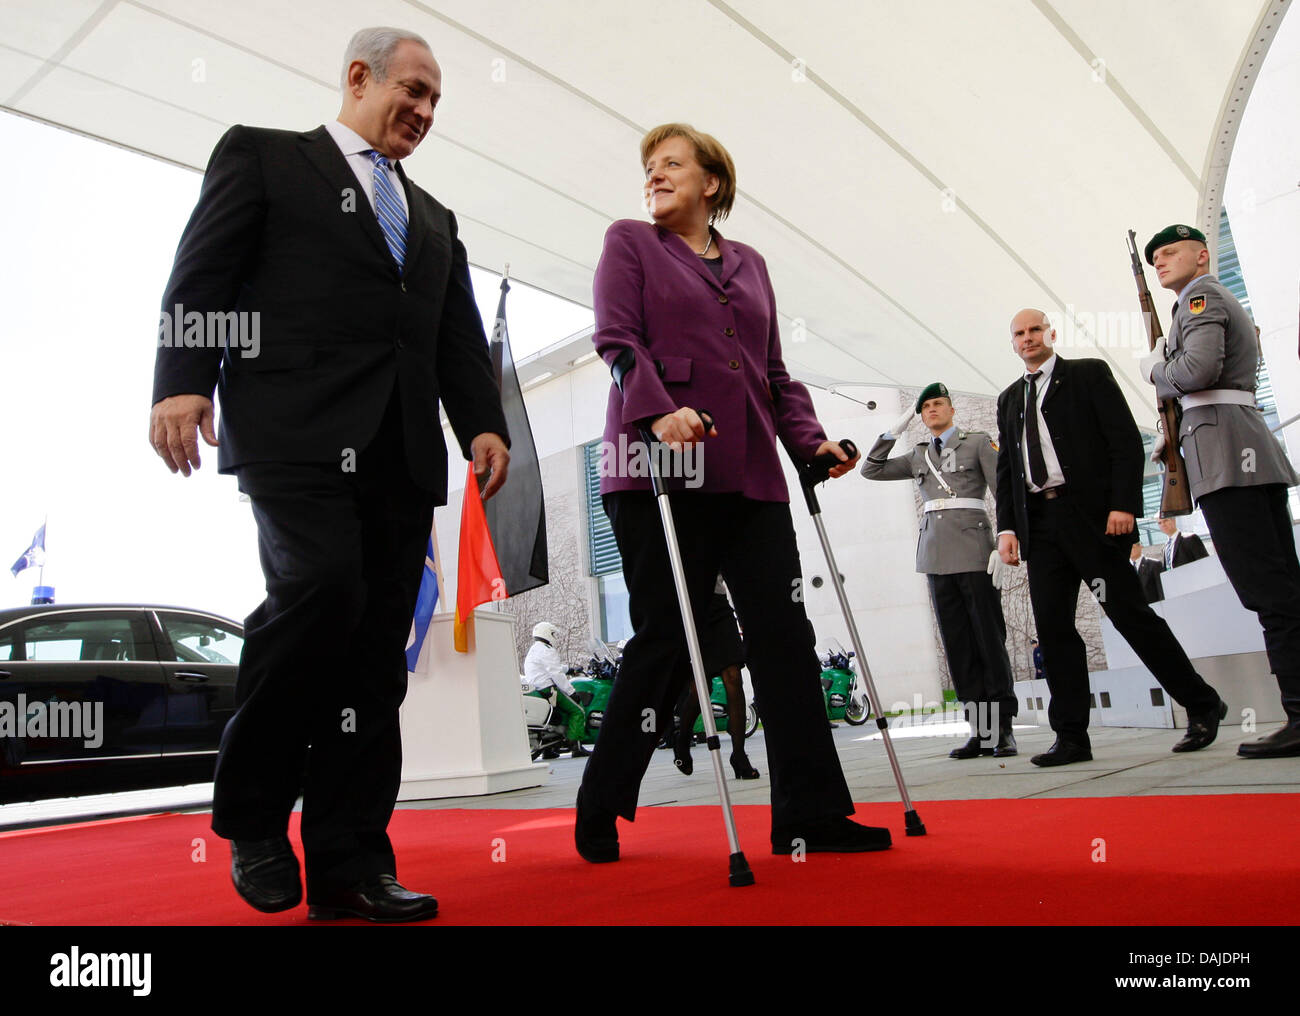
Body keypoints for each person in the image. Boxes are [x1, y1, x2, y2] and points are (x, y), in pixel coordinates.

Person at [148, 27, 510, 922]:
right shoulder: (265, 160)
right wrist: (184, 382)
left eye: (435, 102)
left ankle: (351, 864)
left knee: (373, 660)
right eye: (413, 91)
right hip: (293, 435)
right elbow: (203, 274)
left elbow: (455, 339)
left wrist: (484, 426)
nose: (424, 113)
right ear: (359, 77)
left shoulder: (435, 221)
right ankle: (254, 813)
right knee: (319, 591)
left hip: (400, 457)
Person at [575, 122, 888, 863]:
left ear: (711, 183)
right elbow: (617, 341)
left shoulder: (751, 264)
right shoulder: (630, 242)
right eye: (648, 167)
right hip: (658, 465)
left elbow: (774, 373)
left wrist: (811, 441)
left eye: (671, 164)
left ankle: (810, 815)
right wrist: (658, 411)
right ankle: (602, 796)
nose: (653, 175)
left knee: (785, 637)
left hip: (749, 475)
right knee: (666, 636)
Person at [995, 309, 1225, 765]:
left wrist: (1123, 505)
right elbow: (1007, 470)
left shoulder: (1087, 375)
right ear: (1013, 343)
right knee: (1055, 630)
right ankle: (1073, 737)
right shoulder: (1008, 399)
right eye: (1019, 334)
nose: (1028, 338)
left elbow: (1122, 441)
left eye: (1035, 329)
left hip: (1091, 521)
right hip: (1041, 527)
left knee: (1129, 615)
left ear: (1050, 333)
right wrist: (1007, 528)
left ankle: (1202, 704)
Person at [1140, 224, 1300, 758]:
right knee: (1280, 591)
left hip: (1231, 462)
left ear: (1201, 254)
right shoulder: (1196, 303)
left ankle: (1299, 714)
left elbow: (1197, 370)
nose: (1160, 261)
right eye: (1154, 257)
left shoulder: (1200, 299)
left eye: (1170, 251)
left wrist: (1155, 367)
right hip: (1236, 454)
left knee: (1269, 594)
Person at [861, 382, 1018, 758]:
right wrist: (890, 433)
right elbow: (871, 469)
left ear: (951, 409)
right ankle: (980, 731)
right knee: (958, 645)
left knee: (988, 641)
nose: (932, 410)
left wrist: (1004, 540)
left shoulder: (978, 443)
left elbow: (1003, 489)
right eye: (926, 406)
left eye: (938, 404)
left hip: (975, 551)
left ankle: (1004, 730)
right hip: (935, 556)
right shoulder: (918, 455)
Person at [671, 576, 759, 779]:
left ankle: (739, 755)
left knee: (734, 677)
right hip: (688, 606)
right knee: (701, 688)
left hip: (718, 604)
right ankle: (682, 739)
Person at [523, 622, 589, 758]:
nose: (554, 637)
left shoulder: (534, 649)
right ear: (547, 633)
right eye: (553, 634)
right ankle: (576, 746)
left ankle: (548, 749)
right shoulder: (547, 650)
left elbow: (553, 666)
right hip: (548, 689)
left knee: (556, 716)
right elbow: (556, 673)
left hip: (537, 689)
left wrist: (570, 669)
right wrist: (572, 692)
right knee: (577, 711)